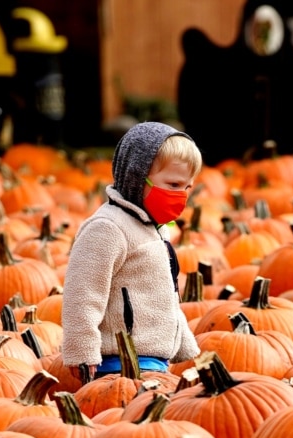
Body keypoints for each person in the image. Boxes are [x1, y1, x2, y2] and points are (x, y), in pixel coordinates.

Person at [61, 122, 201, 382]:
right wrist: (81, 349)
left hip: (155, 361)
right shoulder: (108, 228)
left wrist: (183, 344)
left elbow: (164, 295)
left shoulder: (155, 228)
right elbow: (83, 292)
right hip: (116, 364)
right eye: (173, 184)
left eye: (187, 187)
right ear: (137, 177)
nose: (181, 195)